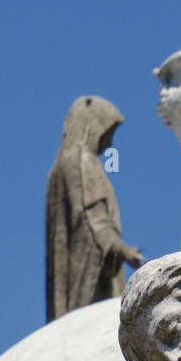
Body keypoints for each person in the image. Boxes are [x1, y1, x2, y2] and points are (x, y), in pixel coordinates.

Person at [45, 96, 144, 322]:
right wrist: (121, 249)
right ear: (93, 126)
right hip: (88, 280)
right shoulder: (81, 162)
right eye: (108, 133)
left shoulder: (61, 166)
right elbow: (92, 219)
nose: (109, 144)